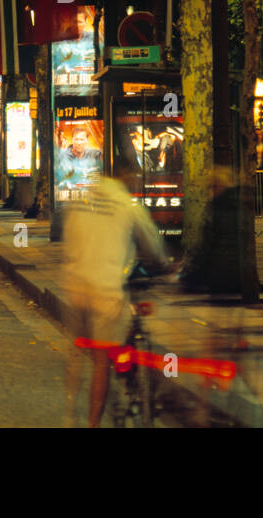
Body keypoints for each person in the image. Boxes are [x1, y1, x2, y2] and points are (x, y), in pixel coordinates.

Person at [61, 171, 171, 427]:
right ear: (126, 179)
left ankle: (69, 411)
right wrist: (164, 265)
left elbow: (68, 241)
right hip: (106, 290)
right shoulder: (126, 204)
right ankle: (93, 424)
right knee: (101, 362)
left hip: (76, 286)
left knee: (75, 353)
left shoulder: (81, 201)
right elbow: (152, 245)